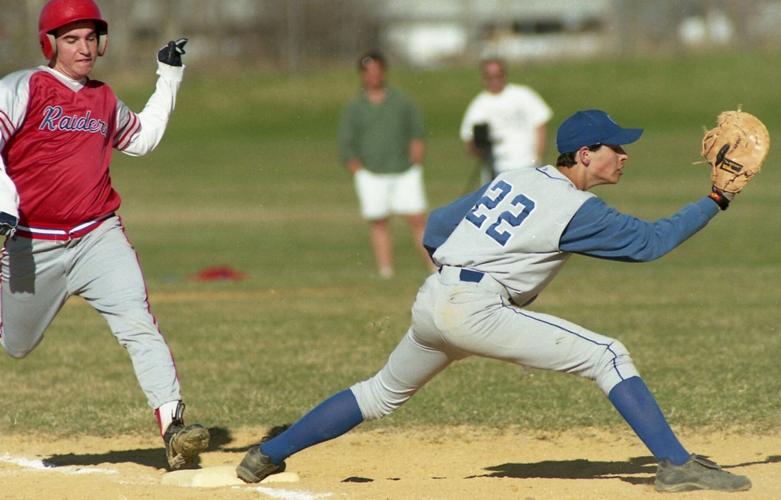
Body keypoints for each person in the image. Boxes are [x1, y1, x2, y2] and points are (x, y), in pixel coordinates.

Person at [236, 109, 751, 493]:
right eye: (616, 147)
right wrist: (716, 199)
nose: (625, 156)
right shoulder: (577, 208)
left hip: (436, 298)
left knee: (379, 394)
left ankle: (266, 455)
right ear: (585, 154)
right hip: (476, 309)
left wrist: (466, 276)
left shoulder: (518, 177)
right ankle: (676, 465)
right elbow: (649, 244)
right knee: (608, 355)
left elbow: (436, 228)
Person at [0, 0, 208, 470]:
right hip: (34, 242)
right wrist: (3, 205)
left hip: (98, 234)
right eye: (71, 38)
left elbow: (144, 139)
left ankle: (173, 427)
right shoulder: (22, 88)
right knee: (16, 344)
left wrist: (169, 77)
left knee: (138, 322)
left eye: (91, 37)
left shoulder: (104, 98)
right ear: (49, 44)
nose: (84, 47)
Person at [338, 51, 435, 279]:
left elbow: (416, 132)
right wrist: (356, 168)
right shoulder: (355, 107)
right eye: (368, 72)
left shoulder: (401, 101)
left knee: (417, 218)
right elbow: (346, 142)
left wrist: (416, 159)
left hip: (403, 170)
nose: (373, 76)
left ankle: (434, 266)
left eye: (377, 71)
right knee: (379, 221)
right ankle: (386, 270)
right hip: (371, 172)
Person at [460, 58, 552, 184]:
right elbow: (468, 139)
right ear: (483, 78)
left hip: (526, 164)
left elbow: (540, 125)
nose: (495, 80)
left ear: (505, 75)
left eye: (498, 75)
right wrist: (480, 147)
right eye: (490, 76)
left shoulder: (523, 95)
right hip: (496, 170)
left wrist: (538, 158)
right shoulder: (479, 105)